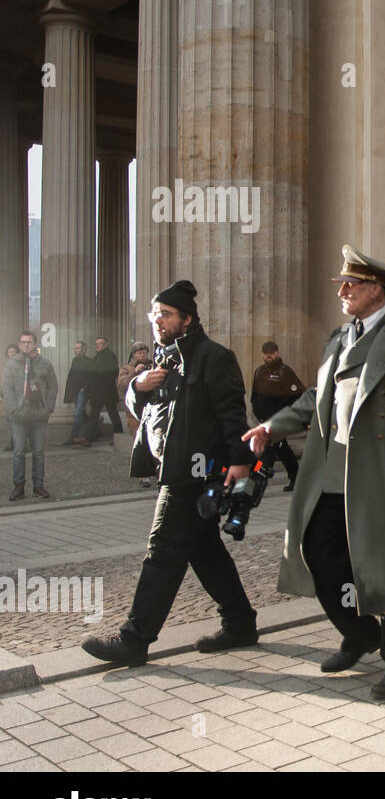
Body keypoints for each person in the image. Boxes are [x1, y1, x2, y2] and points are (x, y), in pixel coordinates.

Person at [243, 245, 385, 702]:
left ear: (377, 289)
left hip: (381, 478)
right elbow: (317, 398)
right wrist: (271, 427)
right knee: (316, 552)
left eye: (351, 283)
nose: (343, 290)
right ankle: (358, 633)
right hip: (328, 475)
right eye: (342, 283)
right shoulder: (339, 337)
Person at [81, 280, 260, 666]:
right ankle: (241, 622)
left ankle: (134, 639)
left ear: (187, 319)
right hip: (172, 469)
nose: (157, 321)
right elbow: (138, 407)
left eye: (165, 314)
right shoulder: (163, 360)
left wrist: (241, 465)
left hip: (196, 475)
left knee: (161, 552)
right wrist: (137, 387)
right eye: (154, 314)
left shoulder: (214, 357)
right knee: (205, 551)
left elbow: (233, 414)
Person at [3, 331, 58, 500]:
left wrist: (48, 408)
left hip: (38, 415)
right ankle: (18, 487)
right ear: (19, 345)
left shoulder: (45, 364)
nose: (26, 345)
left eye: (29, 342)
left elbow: (52, 386)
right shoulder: (12, 364)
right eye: (23, 342)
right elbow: (7, 388)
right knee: (19, 452)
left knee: (38, 452)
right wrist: (13, 409)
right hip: (19, 416)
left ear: (35, 344)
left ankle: (38, 486)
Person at [250, 341, 307, 491]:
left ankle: (258, 482)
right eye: (266, 353)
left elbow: (298, 395)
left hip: (278, 420)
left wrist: (284, 414)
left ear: (277, 353)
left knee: (273, 451)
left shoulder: (285, 371)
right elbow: (255, 395)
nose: (268, 355)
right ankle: (294, 478)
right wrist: (258, 413)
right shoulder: (259, 371)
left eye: (272, 352)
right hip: (264, 420)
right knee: (279, 450)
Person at [118, 342, 153, 487]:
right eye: (139, 353)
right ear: (133, 355)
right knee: (138, 442)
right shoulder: (126, 368)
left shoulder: (153, 365)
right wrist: (134, 372)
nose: (143, 355)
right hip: (133, 412)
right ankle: (143, 475)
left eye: (144, 352)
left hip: (151, 409)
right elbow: (121, 386)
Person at [84, 337, 124, 440]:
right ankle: (88, 438)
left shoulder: (110, 356)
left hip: (107, 391)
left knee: (113, 414)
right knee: (94, 415)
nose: (97, 345)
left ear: (106, 345)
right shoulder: (96, 358)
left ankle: (119, 437)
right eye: (96, 343)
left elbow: (113, 372)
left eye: (100, 343)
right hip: (98, 392)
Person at [61, 340, 93, 446]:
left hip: (82, 391)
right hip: (75, 390)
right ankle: (90, 434)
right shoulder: (75, 360)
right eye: (75, 348)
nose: (76, 350)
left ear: (84, 350)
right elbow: (73, 377)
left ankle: (73, 436)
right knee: (82, 414)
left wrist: (84, 388)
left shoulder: (89, 361)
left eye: (78, 348)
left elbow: (90, 376)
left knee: (78, 413)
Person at [1, 343, 15, 452]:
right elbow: (4, 382)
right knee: (9, 421)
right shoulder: (7, 365)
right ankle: (11, 443)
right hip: (9, 398)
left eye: (13, 352)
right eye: (10, 352)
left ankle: (24, 444)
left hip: (19, 398)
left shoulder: (22, 364)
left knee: (20, 422)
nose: (11, 354)